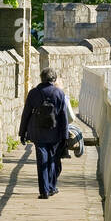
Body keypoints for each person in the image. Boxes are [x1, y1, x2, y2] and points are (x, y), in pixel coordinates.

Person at [19, 67, 70, 198]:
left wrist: (22, 132)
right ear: (54, 79)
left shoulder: (33, 93)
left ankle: (44, 191)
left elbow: (26, 114)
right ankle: (52, 187)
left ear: (42, 78)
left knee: (42, 160)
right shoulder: (59, 93)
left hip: (37, 132)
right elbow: (63, 116)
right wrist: (65, 135)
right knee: (53, 159)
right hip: (55, 132)